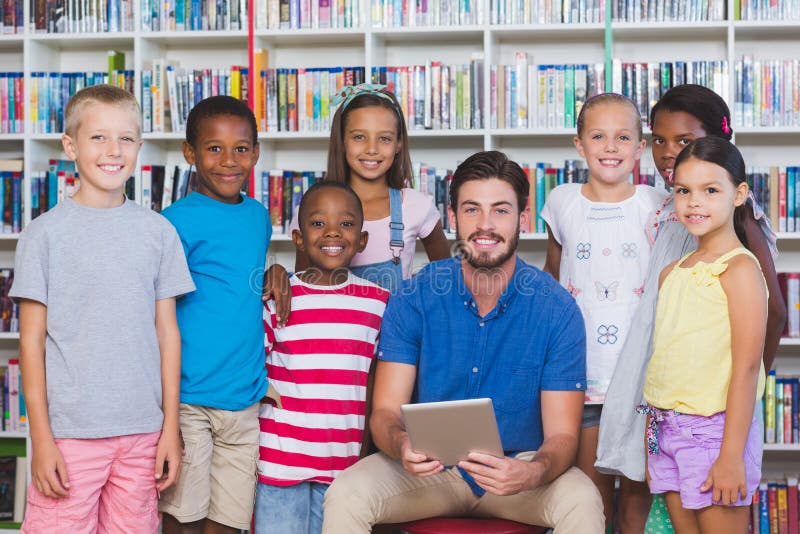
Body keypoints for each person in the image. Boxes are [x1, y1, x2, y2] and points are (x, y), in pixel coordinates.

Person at [321, 150, 605, 533]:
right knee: (347, 493)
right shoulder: (415, 296)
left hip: (516, 472)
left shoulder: (556, 309)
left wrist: (532, 471)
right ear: (453, 217)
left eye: (500, 211)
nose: (485, 225)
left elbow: (563, 436)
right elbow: (385, 414)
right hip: (431, 470)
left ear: (522, 218)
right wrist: (403, 444)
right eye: (472, 210)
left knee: (583, 500)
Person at [12, 84, 195, 533]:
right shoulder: (44, 236)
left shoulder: (159, 233)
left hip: (141, 434)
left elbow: (168, 334)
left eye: (126, 139)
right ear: (71, 147)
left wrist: (169, 427)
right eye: (98, 138)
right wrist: (41, 438)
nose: (114, 151)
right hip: (69, 436)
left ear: (139, 146)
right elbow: (31, 342)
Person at [596, 85, 783, 486]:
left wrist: (742, 392)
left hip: (712, 411)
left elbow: (775, 313)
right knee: (648, 499)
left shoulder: (738, 219)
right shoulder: (672, 211)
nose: (667, 151)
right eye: (659, 140)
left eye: (683, 140)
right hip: (666, 404)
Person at [158, 95, 286, 534]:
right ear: (189, 153)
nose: (229, 161)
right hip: (189, 399)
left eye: (241, 148)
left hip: (244, 399)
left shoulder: (257, 216)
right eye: (214, 148)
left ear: (256, 151)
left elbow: (243, 280)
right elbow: (157, 314)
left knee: (231, 521)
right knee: (183, 518)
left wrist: (275, 269)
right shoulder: (172, 223)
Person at [540, 92, 667, 532]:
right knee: (590, 501)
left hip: (641, 381)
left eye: (622, 138)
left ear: (639, 147)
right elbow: (554, 275)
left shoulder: (657, 205)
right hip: (582, 375)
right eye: (598, 136)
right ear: (579, 144)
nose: (610, 147)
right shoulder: (561, 201)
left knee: (636, 501)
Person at [643, 136, 766, 532]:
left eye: (710, 190)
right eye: (683, 190)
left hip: (715, 432)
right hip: (664, 428)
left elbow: (747, 369)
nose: (694, 201)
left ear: (739, 194)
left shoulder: (740, 270)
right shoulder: (671, 273)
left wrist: (730, 456)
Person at [255, 181, 390, 534]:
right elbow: (253, 368)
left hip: (343, 467)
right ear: (298, 238)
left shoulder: (378, 302)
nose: (332, 231)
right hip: (279, 463)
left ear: (361, 241)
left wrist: (367, 451)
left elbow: (378, 380)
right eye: (318, 223)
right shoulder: (278, 296)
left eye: (346, 224)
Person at [291, 83, 450, 292]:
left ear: (398, 144)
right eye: (359, 137)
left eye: (384, 138)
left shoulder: (416, 205)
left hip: (397, 326)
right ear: (342, 141)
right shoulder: (312, 208)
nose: (372, 149)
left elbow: (446, 276)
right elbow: (301, 288)